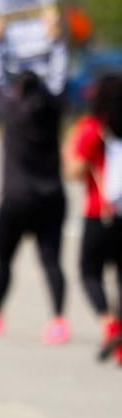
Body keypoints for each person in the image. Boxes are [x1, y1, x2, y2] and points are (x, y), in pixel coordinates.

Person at [0, 11, 70, 343]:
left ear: (18, 90)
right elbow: (59, 77)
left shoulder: (10, 109)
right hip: (52, 195)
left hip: (16, 197)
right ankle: (58, 320)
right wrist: (56, 40)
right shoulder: (53, 109)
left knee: (4, 260)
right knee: (52, 260)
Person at [63, 73, 122, 363]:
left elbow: (75, 170)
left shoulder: (93, 128)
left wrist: (69, 149)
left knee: (89, 271)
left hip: (100, 212)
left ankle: (109, 322)